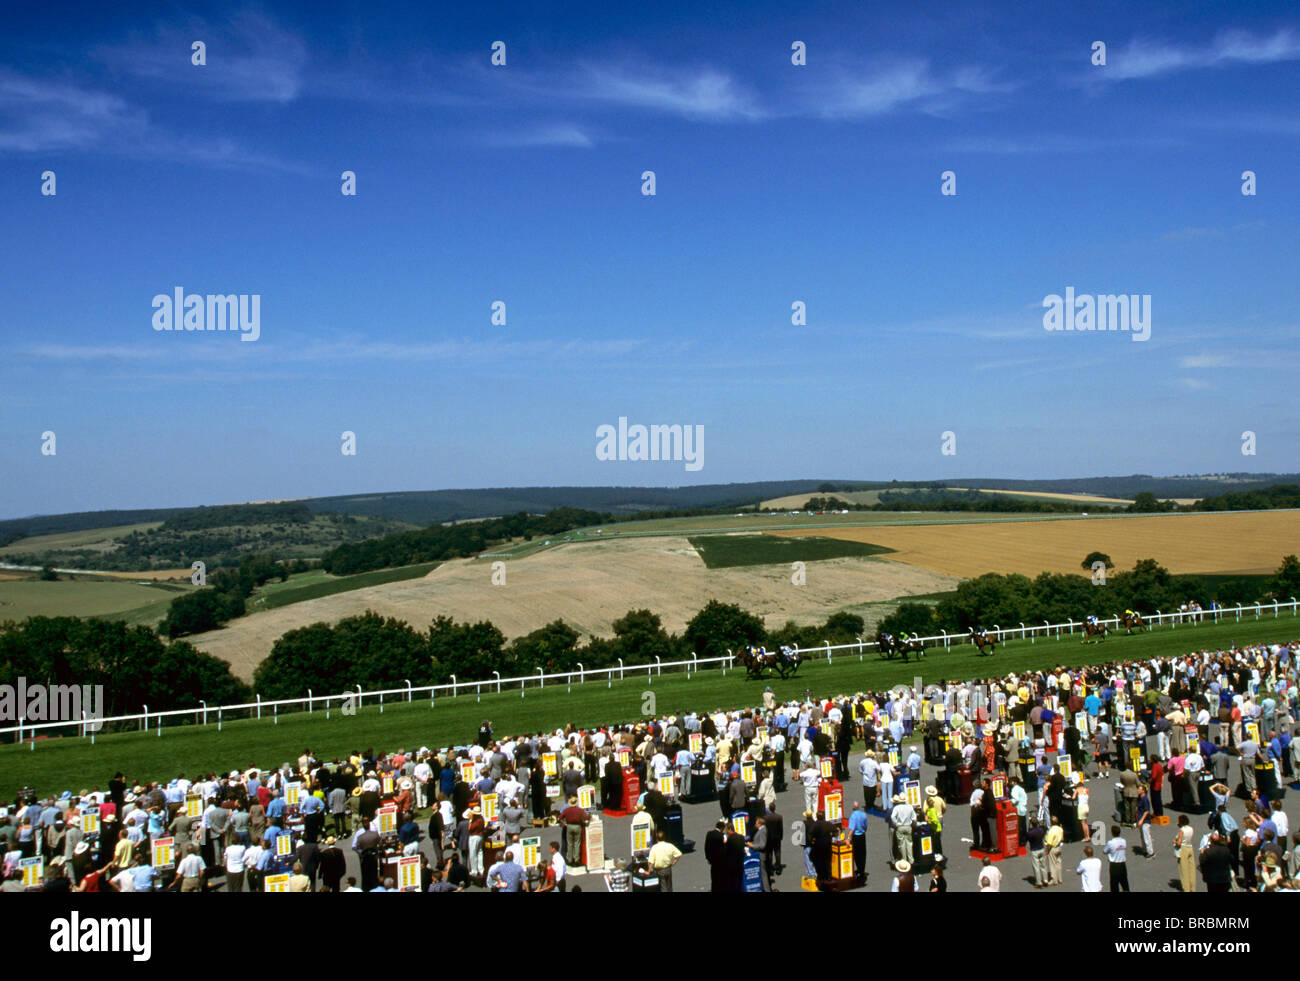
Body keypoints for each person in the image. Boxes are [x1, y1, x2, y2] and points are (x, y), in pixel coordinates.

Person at [1103, 825, 1129, 892]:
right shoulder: (1124, 841)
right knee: (1124, 883)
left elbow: (1104, 851)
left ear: (1112, 833)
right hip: (1123, 865)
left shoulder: (1110, 843)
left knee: (1114, 885)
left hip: (1114, 866)